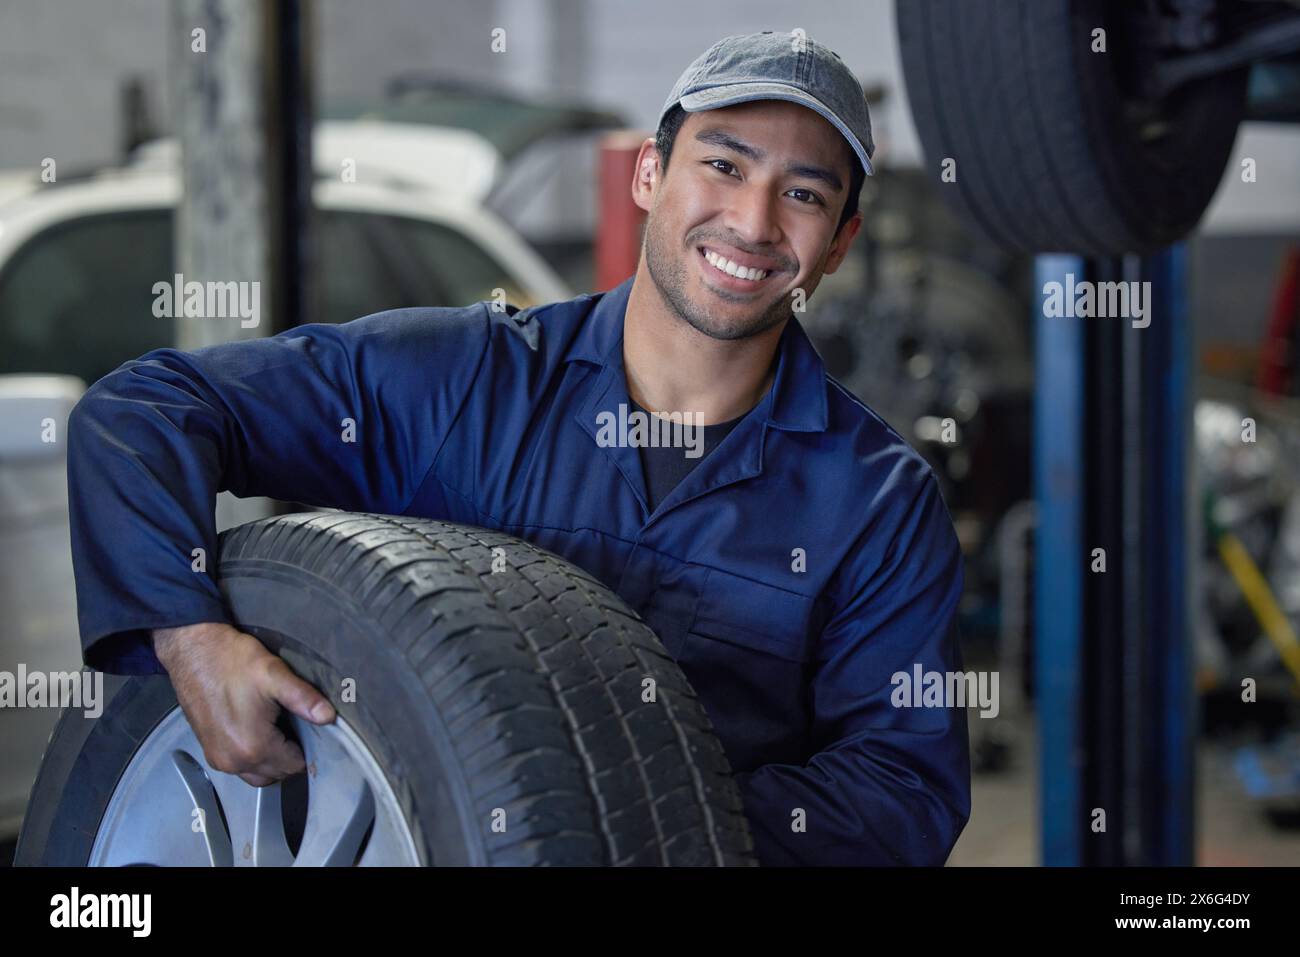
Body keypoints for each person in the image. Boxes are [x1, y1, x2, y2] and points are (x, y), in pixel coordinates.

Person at [68, 31, 970, 865]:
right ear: (650, 174)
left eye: (804, 193)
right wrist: (189, 638)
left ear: (840, 243)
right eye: (723, 164)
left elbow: (901, 790)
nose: (753, 219)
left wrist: (631, 820)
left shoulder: (875, 504)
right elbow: (143, 411)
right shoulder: (462, 382)